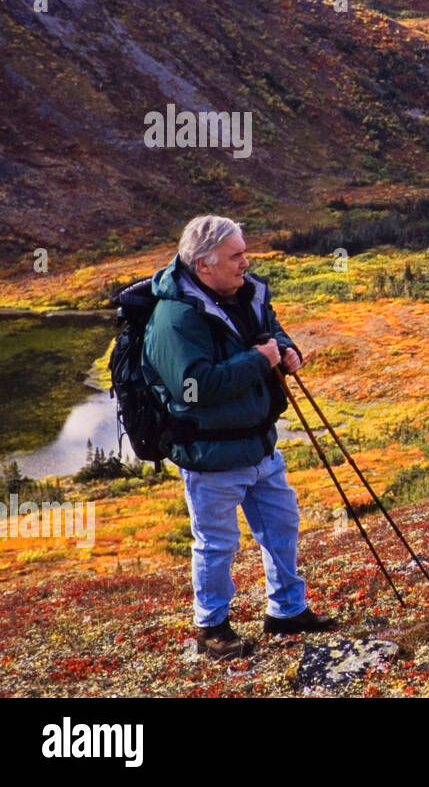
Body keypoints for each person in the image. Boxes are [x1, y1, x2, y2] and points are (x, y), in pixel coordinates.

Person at [143, 215, 337, 658]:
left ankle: (287, 612)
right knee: (216, 544)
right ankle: (212, 629)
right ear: (204, 265)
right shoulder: (174, 317)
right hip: (210, 456)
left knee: (281, 527)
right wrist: (261, 360)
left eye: (244, 252)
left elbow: (269, 332)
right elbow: (195, 387)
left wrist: (286, 350)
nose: (246, 262)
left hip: (260, 446)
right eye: (236, 256)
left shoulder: (244, 294)